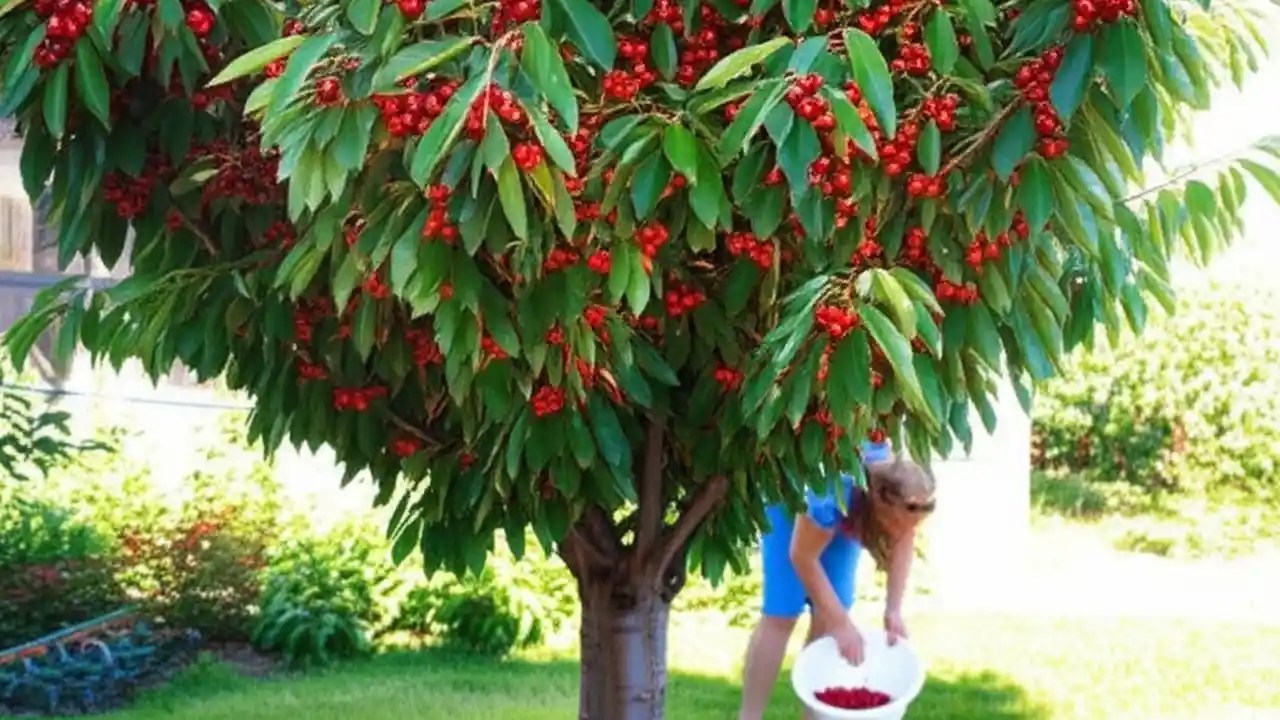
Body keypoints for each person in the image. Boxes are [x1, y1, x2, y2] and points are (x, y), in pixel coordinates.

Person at [737, 441, 936, 720]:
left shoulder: (902, 491)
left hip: (847, 516)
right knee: (781, 614)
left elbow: (904, 537)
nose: (900, 533)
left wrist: (893, 609)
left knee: (828, 620)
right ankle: (749, 717)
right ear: (878, 502)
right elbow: (802, 556)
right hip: (792, 502)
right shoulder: (831, 493)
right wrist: (842, 624)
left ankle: (816, 715)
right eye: (895, 524)